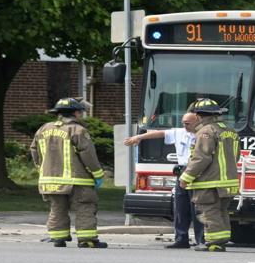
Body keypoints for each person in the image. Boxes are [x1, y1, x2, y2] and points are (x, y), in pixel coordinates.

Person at [29, 97, 108, 248]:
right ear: (76, 113)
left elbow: (34, 150)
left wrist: (42, 167)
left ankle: (58, 237)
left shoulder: (44, 129)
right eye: (81, 112)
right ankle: (87, 240)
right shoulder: (78, 130)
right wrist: (98, 174)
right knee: (85, 206)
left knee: (57, 208)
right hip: (78, 181)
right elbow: (88, 154)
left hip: (50, 180)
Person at [124, 110, 206, 249]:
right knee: (180, 207)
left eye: (188, 123)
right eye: (183, 123)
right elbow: (160, 133)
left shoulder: (204, 135)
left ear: (197, 121)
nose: (185, 125)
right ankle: (181, 239)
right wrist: (139, 137)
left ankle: (201, 240)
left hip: (197, 173)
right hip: (182, 172)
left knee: (197, 208)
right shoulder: (179, 133)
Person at [179, 99, 241, 252]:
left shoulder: (206, 131)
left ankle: (214, 242)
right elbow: (236, 156)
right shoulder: (230, 131)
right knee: (221, 211)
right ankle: (222, 239)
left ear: (199, 116)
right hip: (229, 182)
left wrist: (186, 177)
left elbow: (201, 157)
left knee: (209, 211)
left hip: (210, 182)